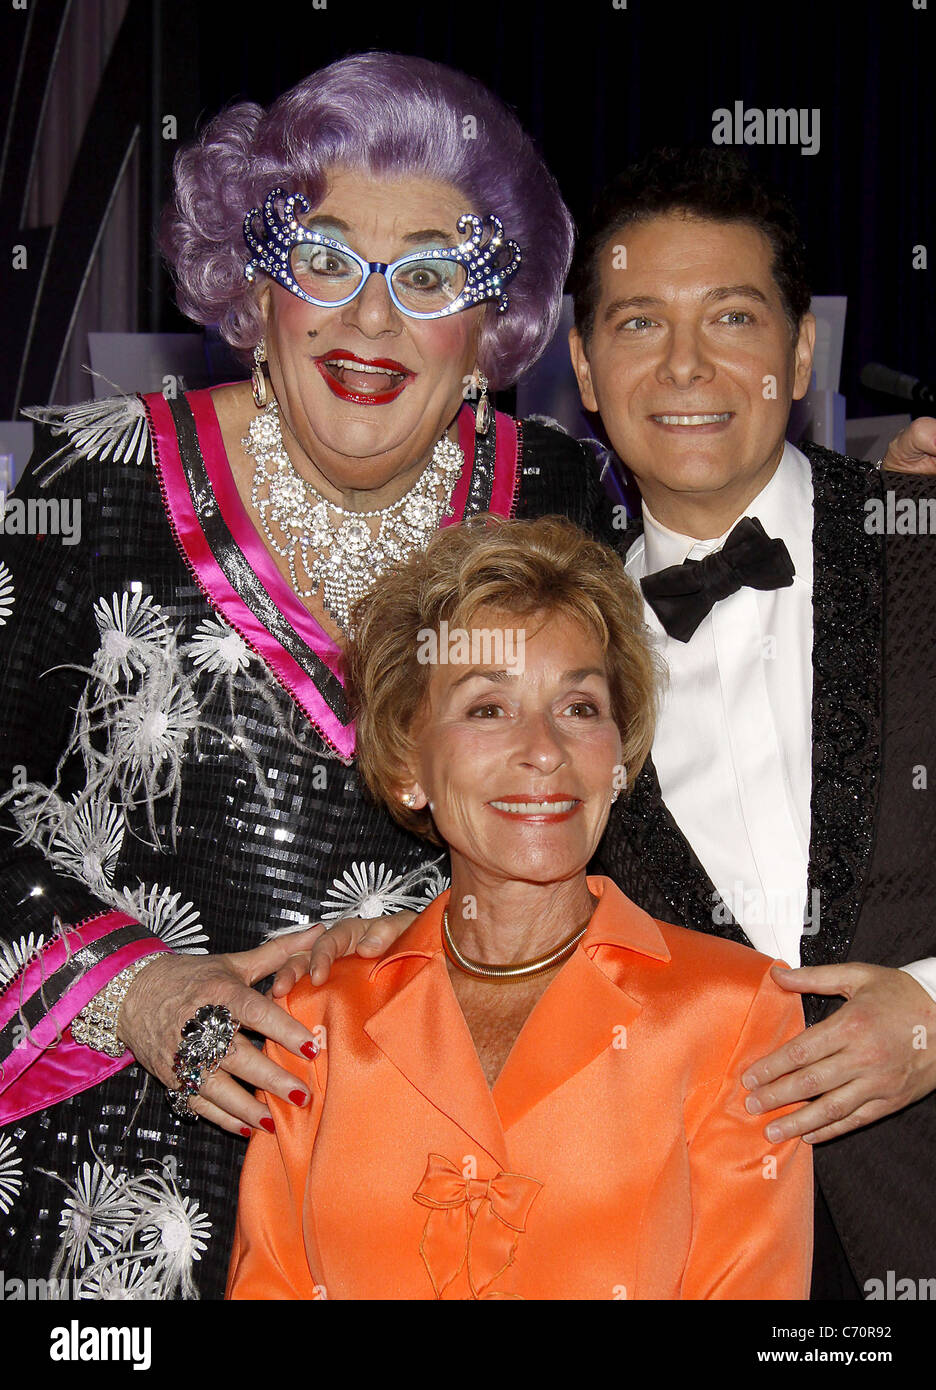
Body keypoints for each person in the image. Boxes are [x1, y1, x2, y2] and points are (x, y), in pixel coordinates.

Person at [0, 53, 612, 1300]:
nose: (371, 320)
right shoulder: (97, 480)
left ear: (491, 328)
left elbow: (637, 794)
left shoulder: (555, 501)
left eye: (429, 276)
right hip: (118, 1186)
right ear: (253, 283)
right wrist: (135, 987)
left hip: (425, 1184)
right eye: (325, 259)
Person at [227, 515, 813, 1300]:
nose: (544, 750)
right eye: (488, 709)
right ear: (408, 765)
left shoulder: (736, 1012)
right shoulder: (316, 1016)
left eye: (579, 708)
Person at [565, 147, 936, 1297]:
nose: (685, 364)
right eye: (638, 323)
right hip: (693, 1252)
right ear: (583, 367)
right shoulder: (550, 638)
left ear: (801, 352)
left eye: (731, 317)